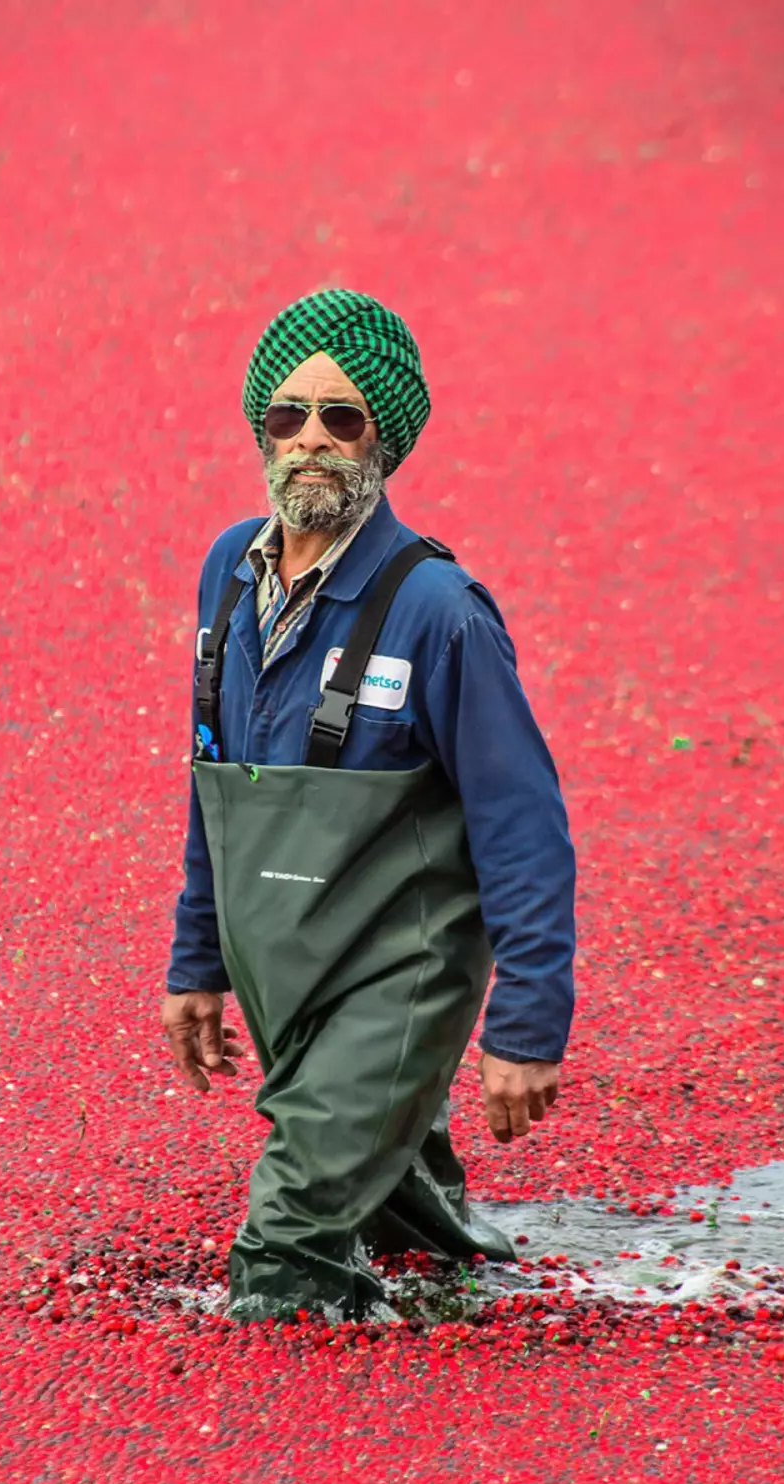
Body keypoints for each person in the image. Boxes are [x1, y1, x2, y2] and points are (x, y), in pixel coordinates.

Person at [162, 288, 576, 1321]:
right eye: (286, 415)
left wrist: (527, 1026)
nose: (310, 440)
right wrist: (197, 964)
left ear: (383, 438)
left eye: (340, 418)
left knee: (292, 1232)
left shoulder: (438, 611)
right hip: (290, 970)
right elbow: (215, 787)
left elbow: (523, 824)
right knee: (400, 1207)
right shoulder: (228, 573)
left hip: (403, 976)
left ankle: (292, 1446)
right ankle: (467, 1288)